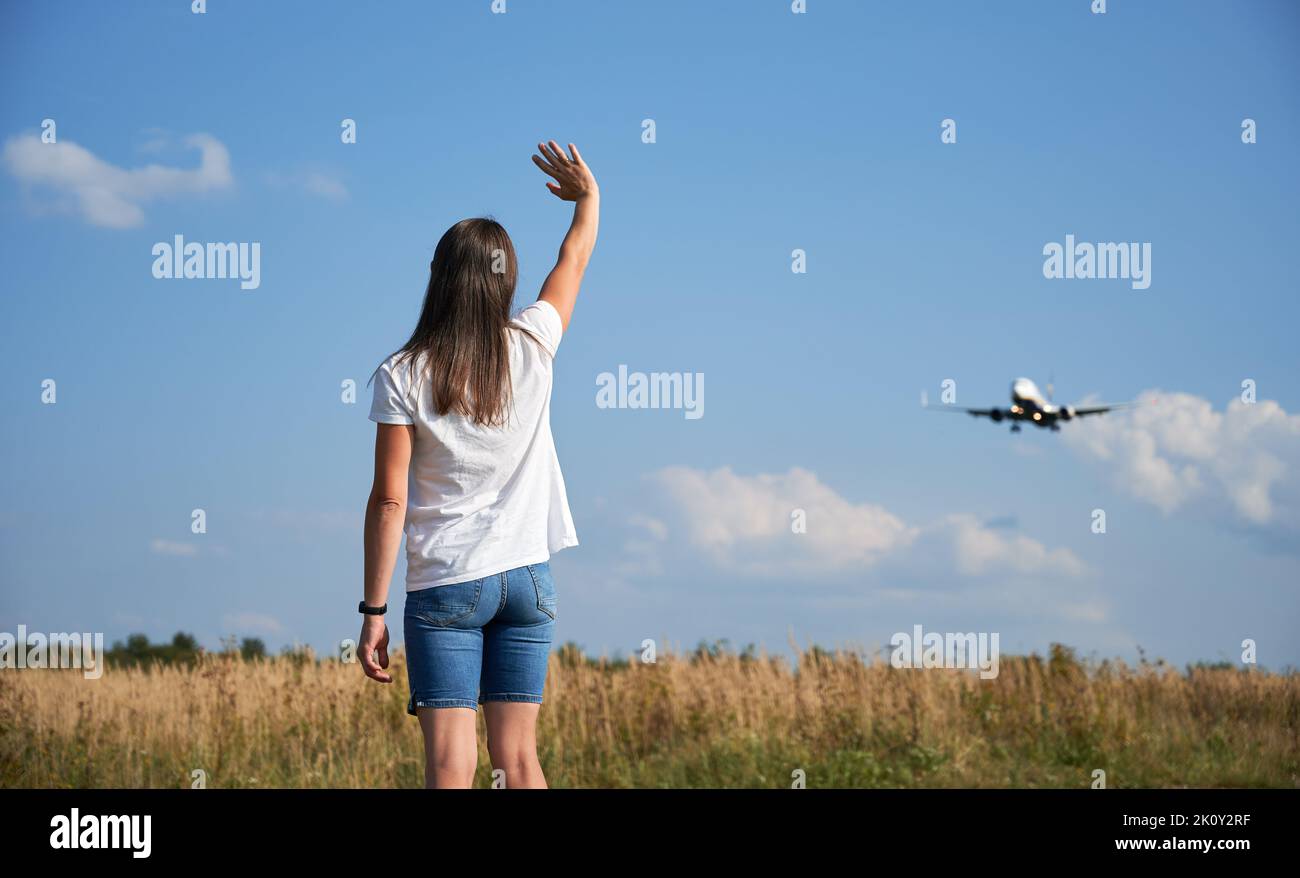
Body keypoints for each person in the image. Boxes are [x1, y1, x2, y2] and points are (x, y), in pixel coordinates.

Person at [357, 141, 599, 788]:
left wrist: (372, 611)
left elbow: (389, 500)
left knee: (451, 763)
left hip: (446, 585)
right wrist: (589, 200)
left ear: (437, 277)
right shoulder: (534, 344)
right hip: (528, 582)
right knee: (519, 761)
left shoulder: (402, 374)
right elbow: (573, 259)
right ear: (505, 279)